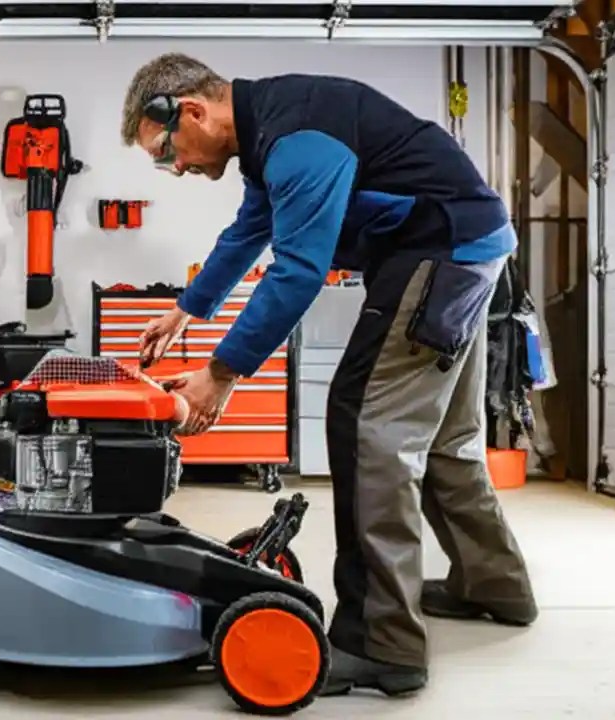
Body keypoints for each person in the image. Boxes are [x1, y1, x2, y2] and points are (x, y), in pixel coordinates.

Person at [120, 53, 538, 696]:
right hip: (471, 245)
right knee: (446, 440)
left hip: (436, 254)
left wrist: (221, 374)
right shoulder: (272, 127)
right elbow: (248, 231)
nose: (173, 167)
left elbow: (296, 272)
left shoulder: (295, 142)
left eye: (164, 151)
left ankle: (382, 642)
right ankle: (494, 586)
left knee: (366, 427)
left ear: (193, 112)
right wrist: (187, 308)